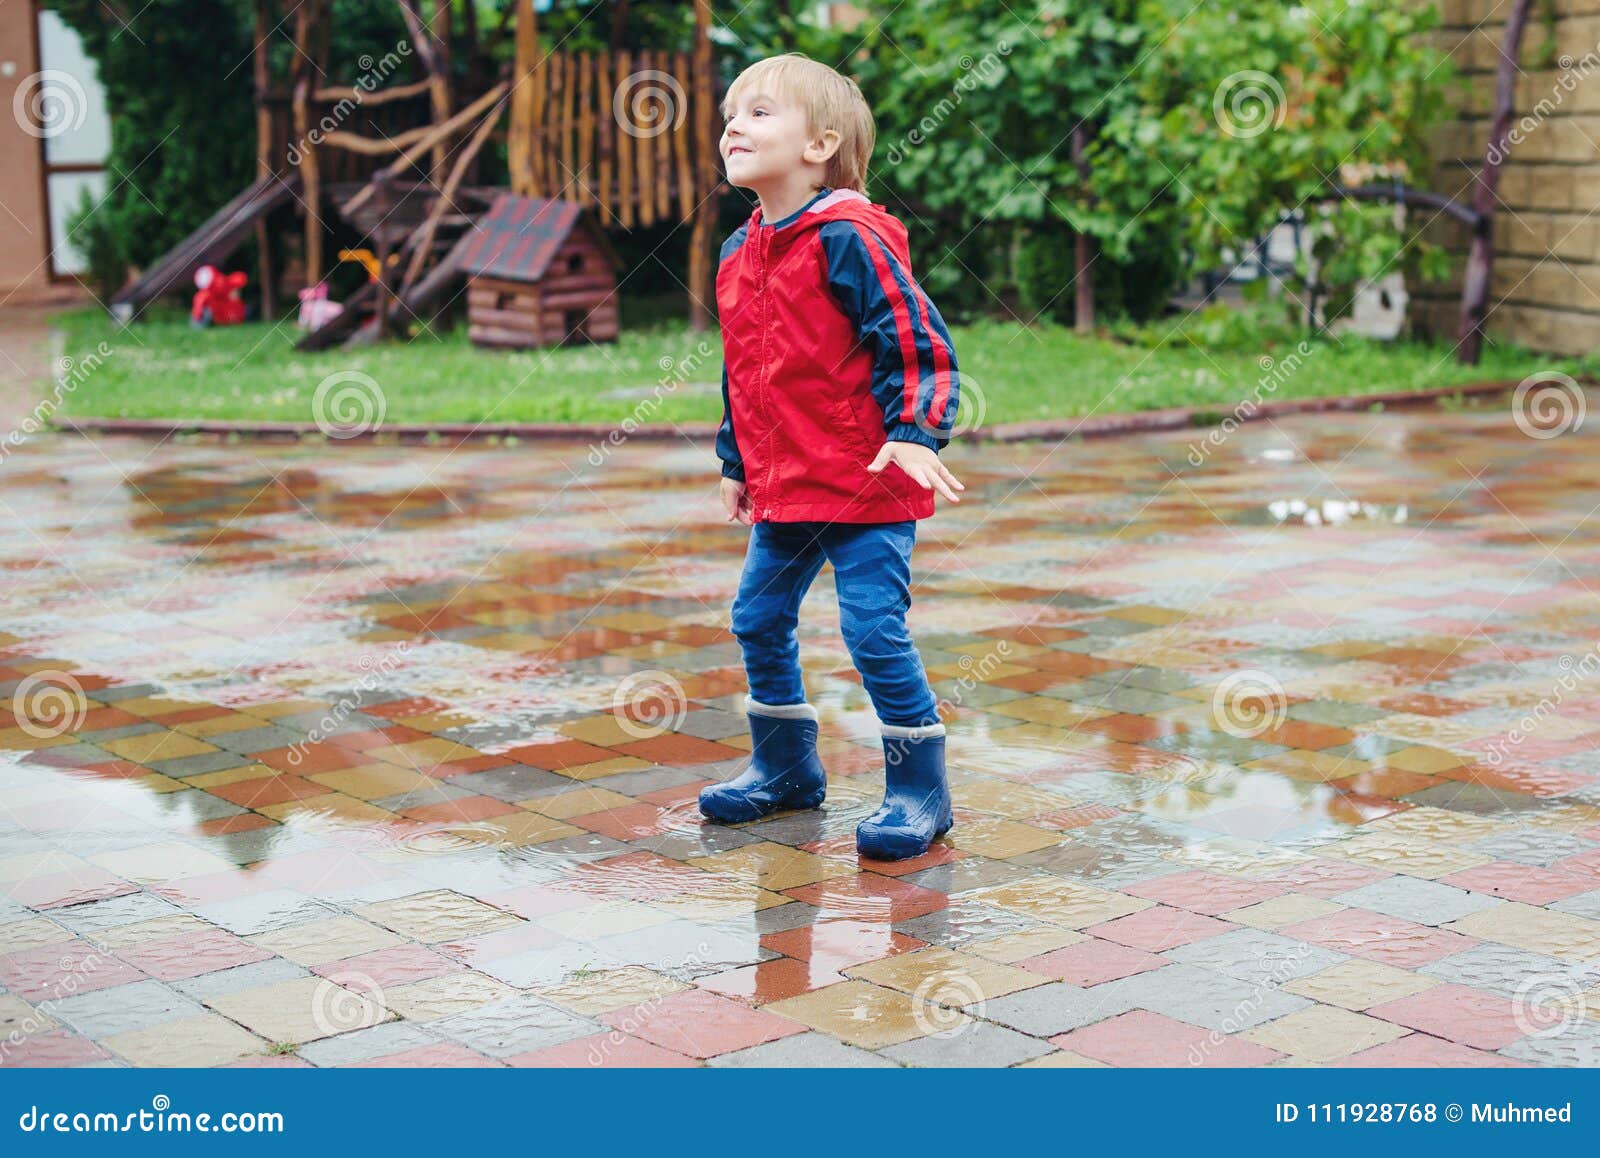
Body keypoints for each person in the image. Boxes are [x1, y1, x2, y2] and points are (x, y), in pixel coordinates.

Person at [701, 52, 965, 861]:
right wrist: (736, 459)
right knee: (757, 620)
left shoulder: (850, 239)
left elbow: (916, 340)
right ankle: (785, 770)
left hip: (865, 486)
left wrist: (914, 432)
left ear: (818, 145)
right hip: (786, 488)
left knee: (873, 631)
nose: (733, 126)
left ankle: (918, 790)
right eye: (729, 115)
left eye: (758, 112)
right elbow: (742, 368)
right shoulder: (739, 251)